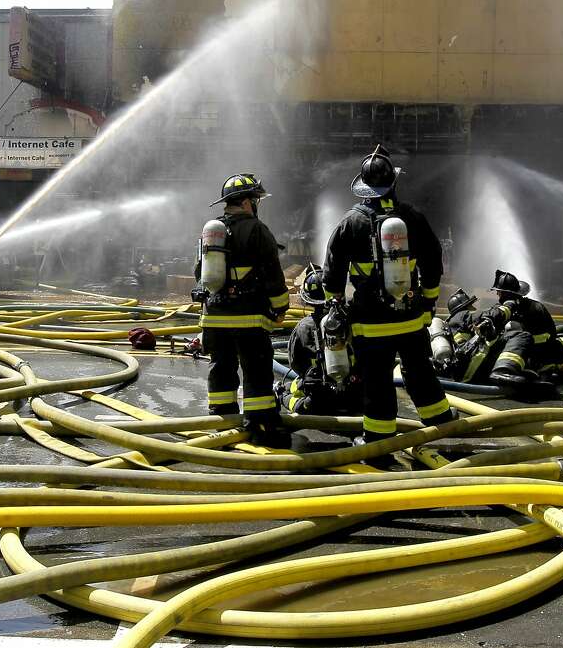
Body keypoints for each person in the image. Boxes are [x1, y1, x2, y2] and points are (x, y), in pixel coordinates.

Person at [323, 144, 456, 458]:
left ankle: (379, 440)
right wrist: (428, 302)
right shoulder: (411, 216)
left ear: (363, 189)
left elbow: (332, 272)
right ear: (393, 183)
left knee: (377, 379)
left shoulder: (349, 223)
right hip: (410, 317)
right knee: (419, 369)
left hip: (369, 322)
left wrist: (335, 308)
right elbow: (433, 261)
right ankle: (440, 421)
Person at [194, 173, 290, 446]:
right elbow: (273, 274)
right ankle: (259, 424)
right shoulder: (257, 230)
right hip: (249, 318)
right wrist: (280, 307)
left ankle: (222, 421)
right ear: (248, 202)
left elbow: (199, 272)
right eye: (256, 199)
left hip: (213, 318)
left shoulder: (211, 232)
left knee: (221, 367)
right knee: (256, 369)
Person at [280, 265, 361, 416]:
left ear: (308, 299)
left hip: (319, 401)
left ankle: (281, 394)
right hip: (355, 398)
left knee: (294, 399)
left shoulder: (303, 327)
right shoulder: (353, 322)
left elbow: (295, 362)